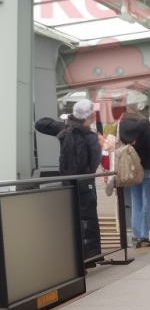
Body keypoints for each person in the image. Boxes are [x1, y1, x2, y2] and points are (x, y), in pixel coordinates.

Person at [35, 98, 103, 262]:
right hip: (85, 183)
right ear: (89, 116)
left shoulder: (65, 130)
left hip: (67, 183)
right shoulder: (91, 137)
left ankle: (74, 257)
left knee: (71, 219)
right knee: (88, 219)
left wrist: (65, 122)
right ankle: (91, 256)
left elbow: (40, 123)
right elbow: (94, 163)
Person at [118, 97, 150, 249]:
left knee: (136, 202)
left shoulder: (122, 124)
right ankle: (144, 236)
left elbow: (123, 142)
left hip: (131, 167)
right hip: (146, 166)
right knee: (146, 202)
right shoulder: (144, 122)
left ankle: (136, 236)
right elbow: (149, 144)